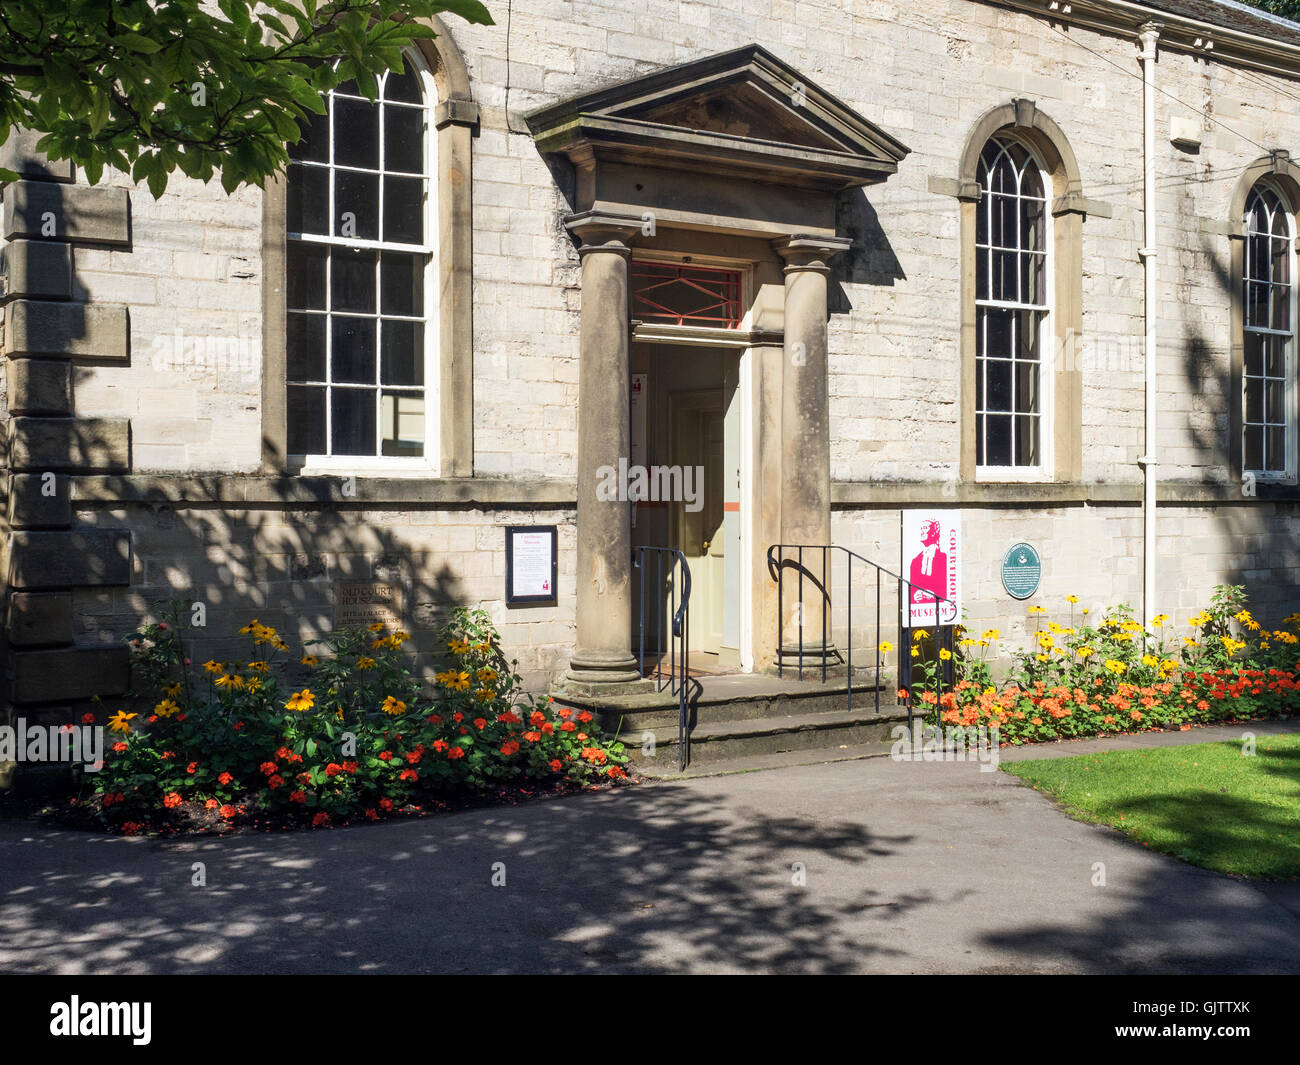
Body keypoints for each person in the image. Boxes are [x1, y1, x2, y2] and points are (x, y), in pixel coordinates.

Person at [909, 519, 948, 619]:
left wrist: (932, 595)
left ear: (934, 532)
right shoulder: (915, 561)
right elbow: (912, 585)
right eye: (921, 528)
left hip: (938, 607)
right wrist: (915, 594)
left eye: (925, 528)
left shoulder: (944, 558)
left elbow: (947, 584)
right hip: (919, 609)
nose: (922, 531)